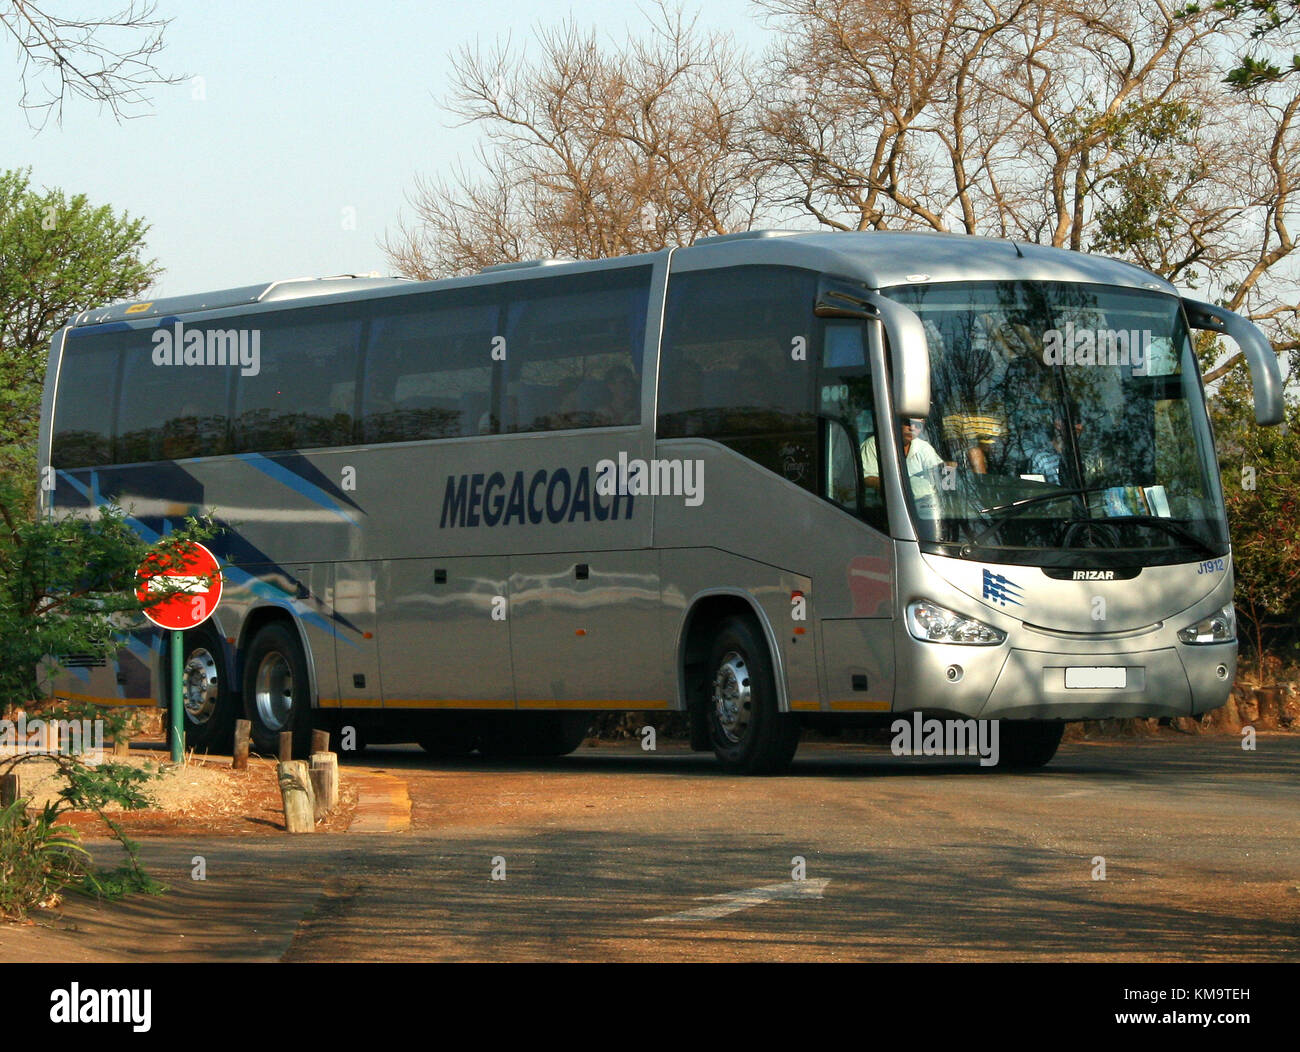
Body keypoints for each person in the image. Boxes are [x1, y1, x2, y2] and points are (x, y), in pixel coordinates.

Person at [861, 418, 945, 518]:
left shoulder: (924, 447)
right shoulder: (874, 444)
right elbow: (866, 478)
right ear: (897, 423)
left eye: (918, 426)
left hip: (926, 506)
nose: (912, 428)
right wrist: (898, 486)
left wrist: (949, 470)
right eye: (908, 423)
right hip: (886, 506)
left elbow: (940, 475)